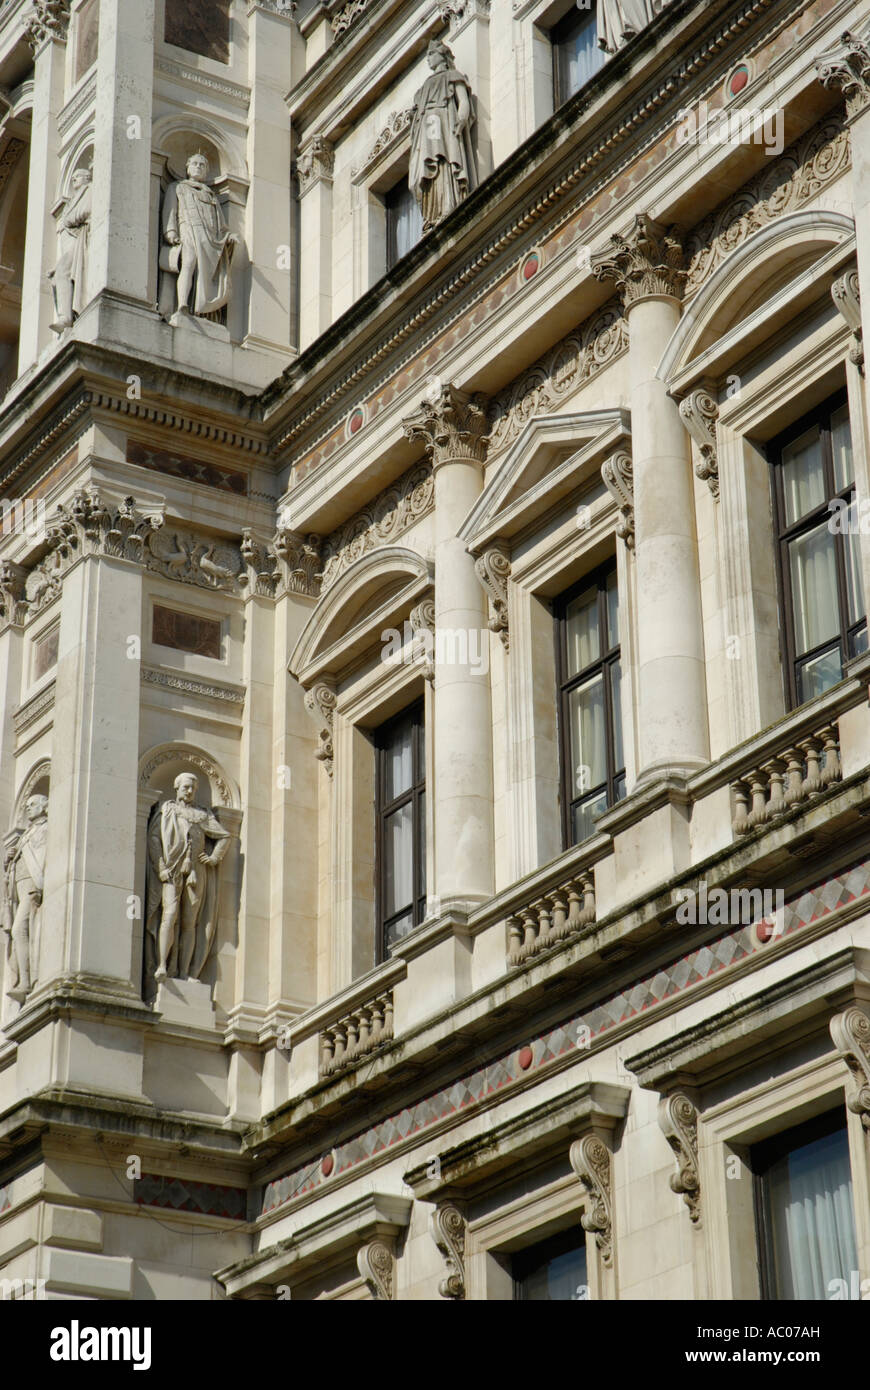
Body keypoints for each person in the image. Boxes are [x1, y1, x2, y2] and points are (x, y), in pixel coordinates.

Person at [145, 773, 230, 986]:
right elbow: (155, 839)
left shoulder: (202, 815)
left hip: (195, 872)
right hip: (171, 870)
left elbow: (224, 836)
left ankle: (184, 972)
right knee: (170, 914)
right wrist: (161, 866)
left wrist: (213, 858)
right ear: (176, 787)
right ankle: (162, 965)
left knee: (190, 922)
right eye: (186, 787)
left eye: (193, 787)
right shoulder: (167, 810)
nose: (190, 791)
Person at [408, 38, 476, 233]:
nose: (428, 59)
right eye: (428, 55)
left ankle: (448, 205)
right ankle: (432, 215)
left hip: (445, 124)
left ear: (442, 56)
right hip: (426, 131)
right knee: (427, 170)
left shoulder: (452, 76)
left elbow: (463, 102)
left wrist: (462, 119)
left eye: (431, 54)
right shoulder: (422, 90)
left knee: (444, 162)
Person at [160, 153, 237, 318]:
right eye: (194, 163)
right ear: (187, 167)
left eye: (202, 165)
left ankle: (202, 308)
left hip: (208, 237)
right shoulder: (178, 186)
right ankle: (182, 304)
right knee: (188, 263)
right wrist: (171, 232)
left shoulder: (210, 194)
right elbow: (170, 210)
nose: (198, 167)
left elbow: (220, 224)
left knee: (204, 273)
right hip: (188, 229)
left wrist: (228, 236)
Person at [2, 794, 48, 1001]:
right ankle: (23, 978)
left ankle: (26, 981)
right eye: (27, 805)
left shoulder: (46, 828)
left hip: (31, 885)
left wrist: (40, 886)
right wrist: (9, 859)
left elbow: (44, 856)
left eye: (33, 805)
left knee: (20, 928)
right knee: (18, 930)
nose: (28, 808)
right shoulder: (27, 833)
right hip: (19, 887)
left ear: (44, 807)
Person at [49, 167, 91, 333]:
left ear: (86, 177)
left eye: (77, 177)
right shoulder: (72, 200)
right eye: (72, 178)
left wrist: (68, 220)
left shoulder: (91, 189)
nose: (74, 180)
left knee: (63, 272)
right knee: (58, 274)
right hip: (72, 242)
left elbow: (86, 211)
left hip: (81, 239)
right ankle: (65, 316)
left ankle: (65, 317)